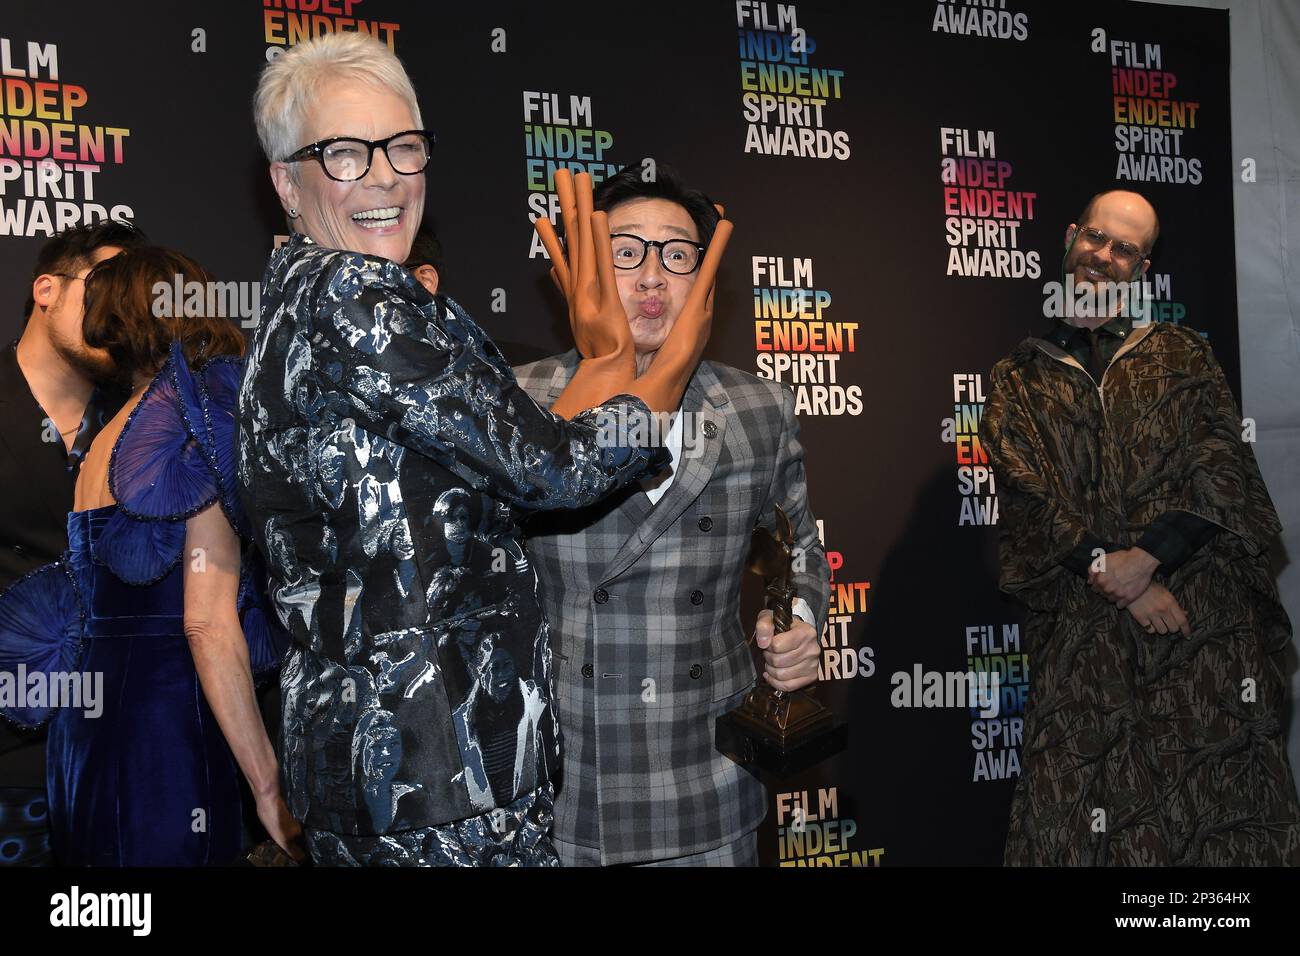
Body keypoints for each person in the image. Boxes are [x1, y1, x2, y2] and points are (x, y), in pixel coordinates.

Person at [238, 33, 730, 866]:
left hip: (389, 773)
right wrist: (661, 380)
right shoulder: (357, 296)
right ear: (288, 181)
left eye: (402, 146)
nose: (387, 175)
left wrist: (607, 369)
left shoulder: (306, 298)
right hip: (433, 774)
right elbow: (557, 472)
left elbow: (511, 468)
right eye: (346, 154)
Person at [516, 165, 829, 866]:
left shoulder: (758, 407)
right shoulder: (523, 402)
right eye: (625, 251)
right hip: (563, 786)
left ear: (704, 276)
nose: (652, 278)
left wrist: (800, 626)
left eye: (677, 255)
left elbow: (799, 548)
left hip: (704, 784)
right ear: (588, 265)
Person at [980, 188, 1300, 865]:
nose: (1104, 256)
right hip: (1084, 644)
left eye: (1126, 249)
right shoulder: (1018, 378)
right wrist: (1113, 573)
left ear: (1142, 270)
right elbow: (1029, 497)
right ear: (1071, 237)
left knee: (1209, 831)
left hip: (1198, 634)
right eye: (1097, 237)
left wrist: (1148, 558)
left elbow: (1221, 468)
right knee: (1075, 832)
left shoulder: (1182, 355)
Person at [0, 245, 300, 865]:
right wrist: (268, 786)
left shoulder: (104, 440)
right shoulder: (187, 425)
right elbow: (206, 622)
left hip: (81, 738)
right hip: (164, 727)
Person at [0, 220, 144, 866]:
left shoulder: (148, 421)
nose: (121, 310)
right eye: (105, 285)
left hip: (125, 758)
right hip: (11, 772)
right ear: (46, 290)